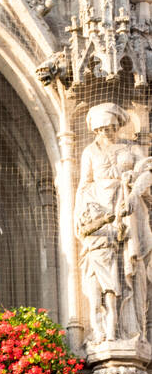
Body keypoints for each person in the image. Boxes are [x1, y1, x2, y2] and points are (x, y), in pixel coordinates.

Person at [74, 103, 152, 345]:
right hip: (101, 210)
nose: (106, 133)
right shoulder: (90, 151)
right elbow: (84, 185)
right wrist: (84, 215)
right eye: (101, 129)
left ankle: (130, 329)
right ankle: (104, 331)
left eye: (110, 128)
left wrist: (132, 193)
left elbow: (147, 172)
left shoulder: (132, 147)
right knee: (102, 274)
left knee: (130, 269)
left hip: (130, 210)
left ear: (117, 126)